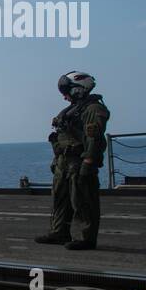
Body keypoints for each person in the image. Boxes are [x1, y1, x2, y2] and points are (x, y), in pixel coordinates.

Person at [35, 71, 110, 250]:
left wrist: (89, 162)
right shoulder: (73, 109)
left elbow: (94, 138)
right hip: (64, 161)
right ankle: (59, 232)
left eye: (67, 91)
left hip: (79, 161)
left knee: (82, 200)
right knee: (60, 198)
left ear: (78, 89)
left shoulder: (93, 109)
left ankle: (87, 238)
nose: (65, 96)